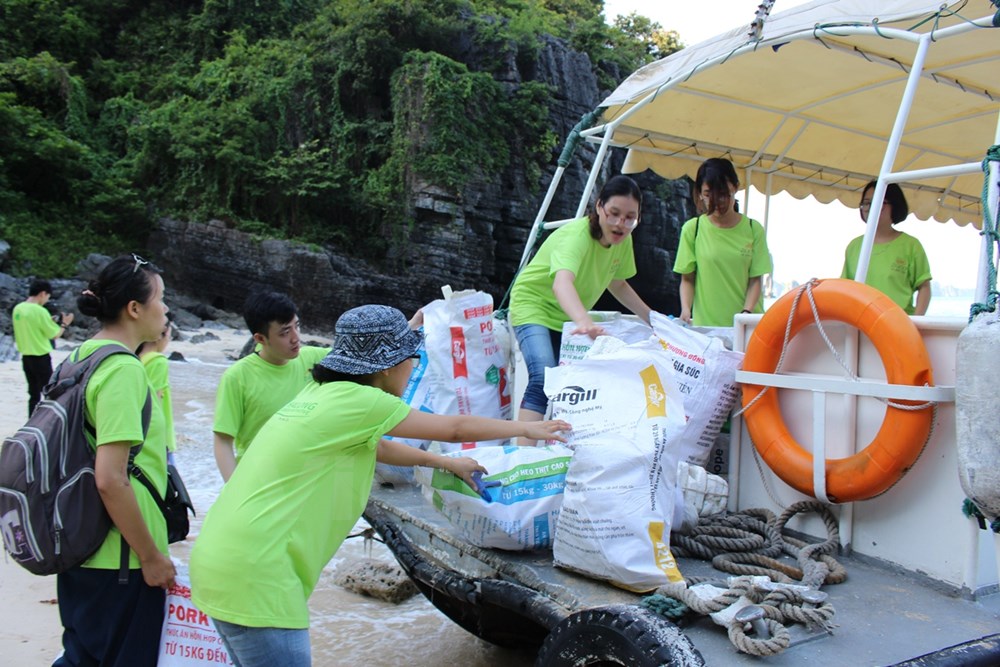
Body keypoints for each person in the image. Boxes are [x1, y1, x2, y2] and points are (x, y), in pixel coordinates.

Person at [189, 305, 570, 667]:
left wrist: (444, 462)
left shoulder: (320, 393)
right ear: (390, 367)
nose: (413, 366)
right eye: (413, 359)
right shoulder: (364, 401)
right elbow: (453, 427)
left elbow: (378, 446)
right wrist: (527, 427)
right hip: (259, 577)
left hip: (220, 561)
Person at [55, 254, 175, 667]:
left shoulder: (79, 358)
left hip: (78, 543)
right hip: (121, 561)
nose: (166, 309)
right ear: (135, 308)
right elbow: (110, 477)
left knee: (81, 659)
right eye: (160, 298)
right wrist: (151, 557)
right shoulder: (123, 370)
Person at [509, 175, 652, 441]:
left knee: (571, 386)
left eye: (630, 218)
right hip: (534, 306)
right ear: (599, 207)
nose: (620, 224)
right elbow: (562, 284)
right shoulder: (577, 236)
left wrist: (652, 318)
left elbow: (618, 284)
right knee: (543, 377)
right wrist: (583, 322)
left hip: (567, 318)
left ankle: (558, 452)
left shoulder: (623, 241)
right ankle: (522, 458)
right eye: (614, 214)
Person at [212, 291, 329, 481]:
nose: (295, 337)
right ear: (260, 339)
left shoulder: (315, 359)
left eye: (296, 326)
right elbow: (223, 442)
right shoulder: (238, 377)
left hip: (306, 483)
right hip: (259, 483)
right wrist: (234, 492)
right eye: (285, 332)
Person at [673, 157, 773, 326]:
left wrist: (745, 315)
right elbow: (687, 278)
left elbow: (755, 279)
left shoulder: (753, 229)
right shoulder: (693, 229)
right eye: (707, 194)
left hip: (747, 325)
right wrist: (685, 309)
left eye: (723, 194)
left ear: (735, 187)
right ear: (699, 193)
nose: (716, 202)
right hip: (707, 327)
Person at [841, 181, 932, 315]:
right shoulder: (854, 246)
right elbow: (845, 289)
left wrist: (915, 324)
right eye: (866, 203)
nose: (870, 208)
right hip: (860, 326)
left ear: (895, 205)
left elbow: (924, 287)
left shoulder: (911, 245)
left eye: (879, 202)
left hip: (898, 327)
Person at [12, 279, 74, 415]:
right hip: (41, 357)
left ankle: (31, 422)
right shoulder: (40, 311)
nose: (46, 300)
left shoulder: (18, 308)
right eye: (47, 297)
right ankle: (48, 425)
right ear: (42, 293)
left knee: (33, 394)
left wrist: (47, 321)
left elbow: (29, 327)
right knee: (50, 394)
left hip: (26, 358)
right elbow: (55, 334)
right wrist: (64, 323)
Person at [137, 324, 177, 466]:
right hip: (158, 440)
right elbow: (156, 403)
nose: (168, 341)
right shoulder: (158, 361)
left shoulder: (136, 359)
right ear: (159, 336)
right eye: (169, 336)